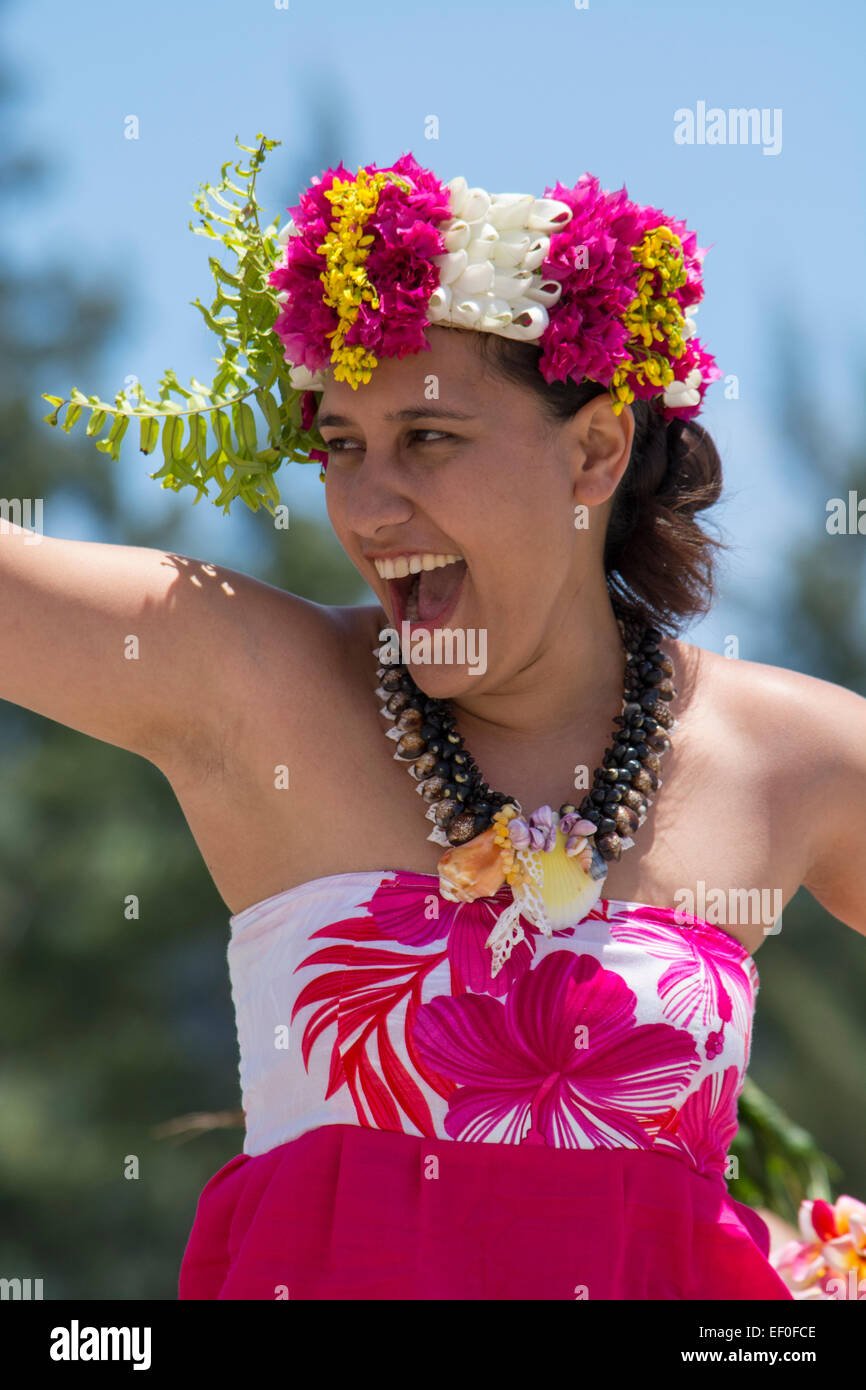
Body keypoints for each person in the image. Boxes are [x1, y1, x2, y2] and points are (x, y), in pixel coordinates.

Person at [7, 150, 866, 1301]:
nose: (366, 507)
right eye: (341, 445)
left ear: (594, 452)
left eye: (427, 437)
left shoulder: (796, 758)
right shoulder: (247, 682)